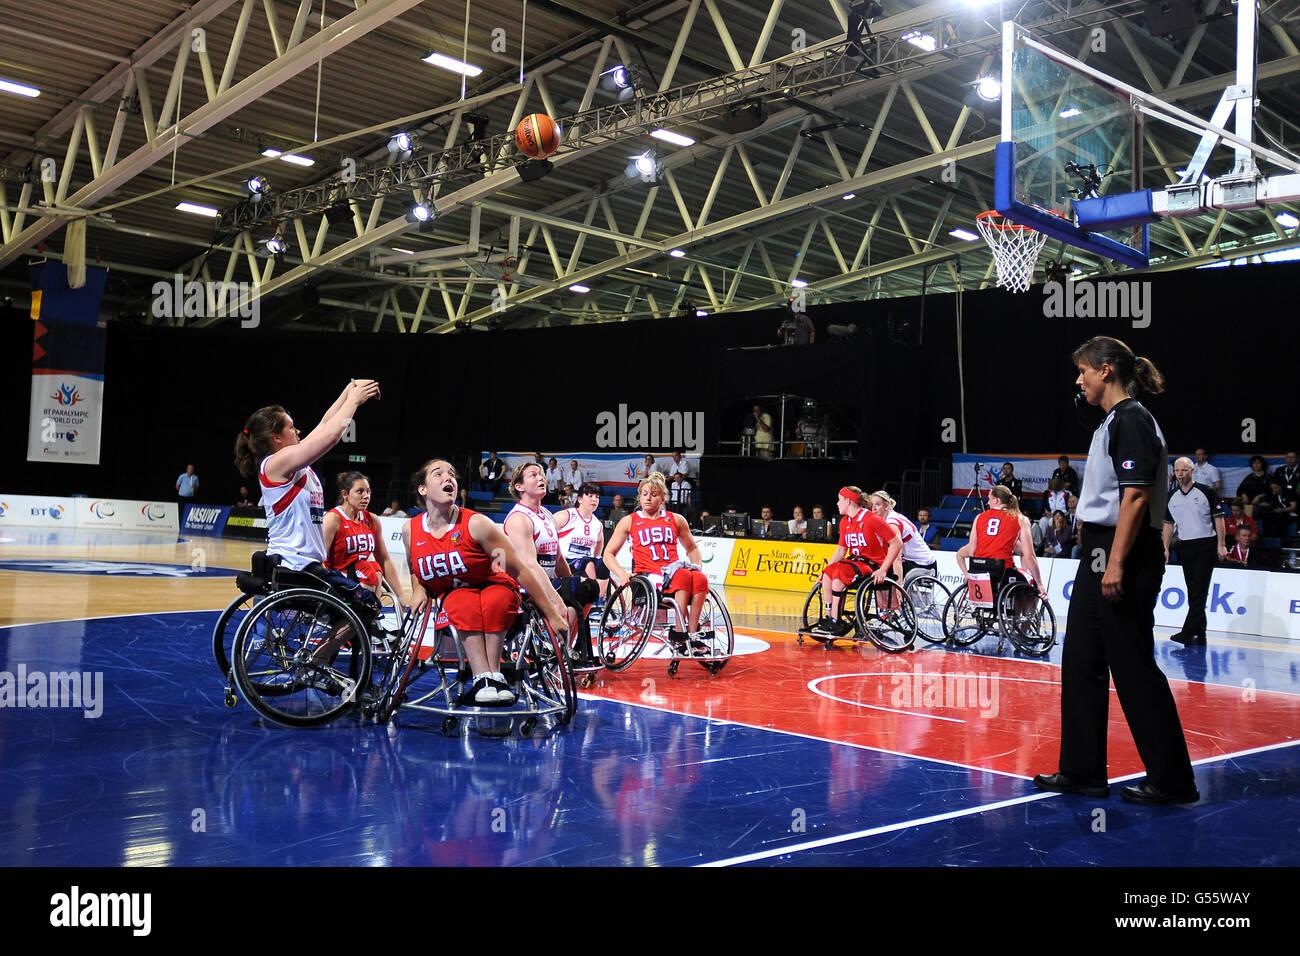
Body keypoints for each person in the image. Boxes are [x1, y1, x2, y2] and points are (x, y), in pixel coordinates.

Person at [1034, 336, 1199, 806]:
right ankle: (1084, 769)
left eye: (1083, 369)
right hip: (1100, 551)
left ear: (1105, 370)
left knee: (1131, 666)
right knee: (1081, 660)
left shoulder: (1132, 419)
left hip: (1124, 549)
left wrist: (1118, 562)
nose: (1078, 378)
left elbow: (1137, 496)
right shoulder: (1113, 420)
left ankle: (1173, 780)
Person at [404, 459, 569, 706]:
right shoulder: (411, 530)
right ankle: (484, 679)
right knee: (461, 601)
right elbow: (416, 568)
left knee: (495, 600)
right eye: (438, 474)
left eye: (452, 474)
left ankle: (494, 675)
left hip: (497, 586)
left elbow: (520, 570)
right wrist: (418, 589)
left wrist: (552, 613)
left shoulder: (476, 523)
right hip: (458, 594)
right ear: (422, 489)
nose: (448, 478)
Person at [233, 379, 380, 575]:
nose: (298, 431)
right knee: (361, 599)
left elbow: (326, 424)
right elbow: (331, 436)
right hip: (291, 564)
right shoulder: (274, 463)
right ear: (276, 438)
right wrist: (353, 401)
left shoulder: (293, 462)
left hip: (307, 565)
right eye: (292, 427)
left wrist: (348, 390)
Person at [603, 472, 711, 653]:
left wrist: (698, 567)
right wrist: (622, 574)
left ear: (662, 498)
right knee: (683, 575)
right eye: (644, 494)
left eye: (653, 494)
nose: (648, 498)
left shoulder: (676, 519)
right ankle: (679, 634)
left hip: (672, 572)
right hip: (646, 577)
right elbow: (608, 554)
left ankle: (691, 634)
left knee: (700, 579)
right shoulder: (629, 521)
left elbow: (692, 548)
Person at [504, 462, 580, 641]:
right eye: (533, 475)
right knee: (581, 590)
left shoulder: (546, 514)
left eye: (541, 475)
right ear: (519, 486)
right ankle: (561, 647)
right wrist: (555, 599)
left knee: (585, 587)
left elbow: (559, 559)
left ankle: (567, 647)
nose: (541, 478)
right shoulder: (519, 518)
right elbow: (529, 565)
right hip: (526, 588)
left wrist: (570, 584)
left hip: (548, 582)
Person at [812, 487, 902, 637]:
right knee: (828, 574)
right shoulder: (845, 522)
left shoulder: (871, 519)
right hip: (856, 562)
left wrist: (883, 569)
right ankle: (829, 618)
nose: (837, 503)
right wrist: (823, 572)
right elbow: (841, 550)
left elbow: (896, 543)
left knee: (838, 579)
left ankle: (835, 620)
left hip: (873, 564)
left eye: (839, 500)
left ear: (848, 501)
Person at [1163, 456, 1226, 646]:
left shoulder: (1206, 491)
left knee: (1199, 589)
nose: (1180, 474)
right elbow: (1168, 524)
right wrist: (1165, 547)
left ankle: (1187, 631)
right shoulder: (1171, 496)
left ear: (1192, 471)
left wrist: (1221, 544)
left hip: (1206, 544)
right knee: (1193, 590)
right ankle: (1200, 633)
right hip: (1185, 545)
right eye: (1177, 471)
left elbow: (1219, 519)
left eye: (1183, 470)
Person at [323, 470, 406, 605]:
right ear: (345, 494)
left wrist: (400, 596)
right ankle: (363, 613)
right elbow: (319, 559)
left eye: (368, 491)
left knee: (374, 567)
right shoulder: (333, 519)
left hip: (359, 575)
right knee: (367, 569)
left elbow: (384, 559)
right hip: (337, 578)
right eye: (360, 491)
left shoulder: (371, 519)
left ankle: (370, 612)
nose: (366, 496)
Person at [954, 485, 1048, 600]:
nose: (987, 502)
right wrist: (1040, 584)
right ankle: (1020, 615)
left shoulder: (979, 517)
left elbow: (973, 550)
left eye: (989, 498)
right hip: (1003, 570)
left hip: (979, 569)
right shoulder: (1020, 519)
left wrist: (970, 574)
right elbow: (1029, 555)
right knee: (1031, 584)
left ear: (996, 500)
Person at [555, 482, 608, 603]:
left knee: (602, 563)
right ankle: (593, 601)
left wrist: (595, 559)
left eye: (597, 497)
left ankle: (599, 603)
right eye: (589, 495)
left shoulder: (597, 524)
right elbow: (546, 531)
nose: (594, 499)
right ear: (580, 499)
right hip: (566, 561)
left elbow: (599, 544)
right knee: (588, 563)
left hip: (585, 562)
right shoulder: (567, 516)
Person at [869, 490, 937, 581]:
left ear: (886, 506)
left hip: (923, 563)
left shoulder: (892, 523)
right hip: (909, 560)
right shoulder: (886, 519)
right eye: (872, 505)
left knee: (887, 572)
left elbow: (897, 559)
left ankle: (896, 594)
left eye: (877, 505)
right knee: (879, 567)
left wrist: (898, 588)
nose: (874, 508)